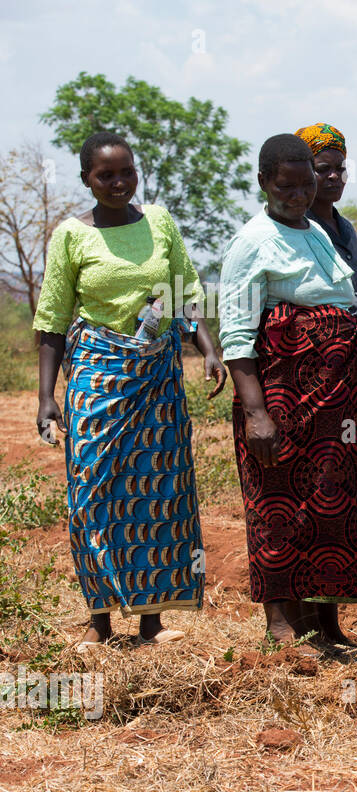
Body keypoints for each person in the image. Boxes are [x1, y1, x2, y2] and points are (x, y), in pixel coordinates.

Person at [33, 132, 226, 651]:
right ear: (86, 180)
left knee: (159, 492)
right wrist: (46, 397)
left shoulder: (159, 223)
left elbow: (184, 293)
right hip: (98, 374)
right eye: (105, 175)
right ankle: (98, 620)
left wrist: (208, 348)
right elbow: (51, 321)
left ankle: (151, 623)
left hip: (157, 376)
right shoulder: (71, 236)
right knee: (92, 492)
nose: (117, 183)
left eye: (126, 173)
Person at [218, 133, 357, 649]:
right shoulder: (253, 240)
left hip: (340, 396)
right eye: (286, 185)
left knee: (332, 503)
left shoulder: (315, 231)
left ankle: (326, 621)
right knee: (281, 504)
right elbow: (236, 334)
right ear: (263, 183)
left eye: (306, 183)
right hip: (286, 395)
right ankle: (281, 623)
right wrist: (257, 414)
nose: (298, 193)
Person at [296, 123, 357, 328]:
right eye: (323, 169)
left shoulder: (347, 229)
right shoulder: (297, 229)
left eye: (340, 169)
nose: (334, 176)